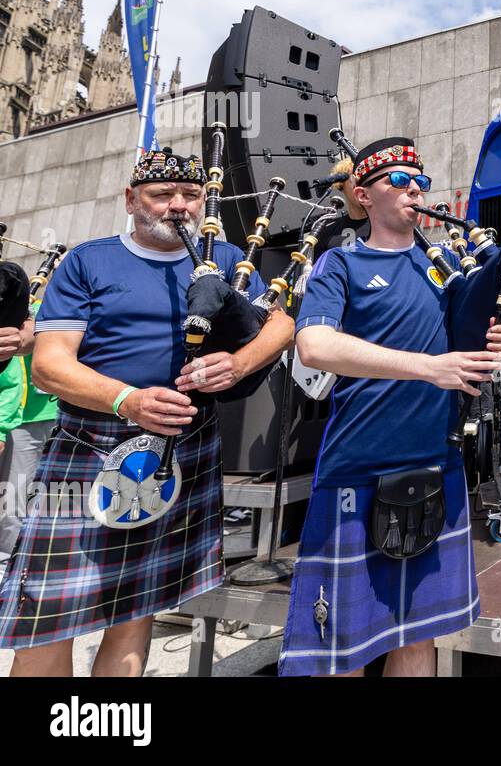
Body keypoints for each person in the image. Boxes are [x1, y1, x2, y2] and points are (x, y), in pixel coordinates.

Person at [0, 149, 295, 676]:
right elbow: (48, 364)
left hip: (183, 450)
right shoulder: (89, 261)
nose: (178, 206)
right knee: (47, 614)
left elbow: (281, 324)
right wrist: (127, 400)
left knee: (136, 614)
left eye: (191, 196)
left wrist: (238, 362)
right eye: (162, 195)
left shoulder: (224, 257)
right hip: (89, 443)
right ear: (131, 199)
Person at [280, 137, 501, 677]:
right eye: (399, 181)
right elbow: (315, 346)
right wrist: (427, 366)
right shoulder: (338, 264)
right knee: (341, 646)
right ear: (363, 195)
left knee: (419, 639)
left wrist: (500, 331)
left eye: (421, 182)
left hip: (436, 463)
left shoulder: (447, 268)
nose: (415, 190)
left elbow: (479, 331)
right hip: (358, 467)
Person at [0, 272, 55, 586]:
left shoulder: (51, 310)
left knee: (48, 497)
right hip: (23, 418)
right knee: (14, 497)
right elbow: (12, 377)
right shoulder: (18, 311)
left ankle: (31, 563)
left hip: (56, 414)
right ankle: (7, 566)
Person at [316, 155, 370, 251]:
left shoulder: (388, 224)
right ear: (341, 185)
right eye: (356, 180)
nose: (362, 186)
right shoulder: (327, 232)